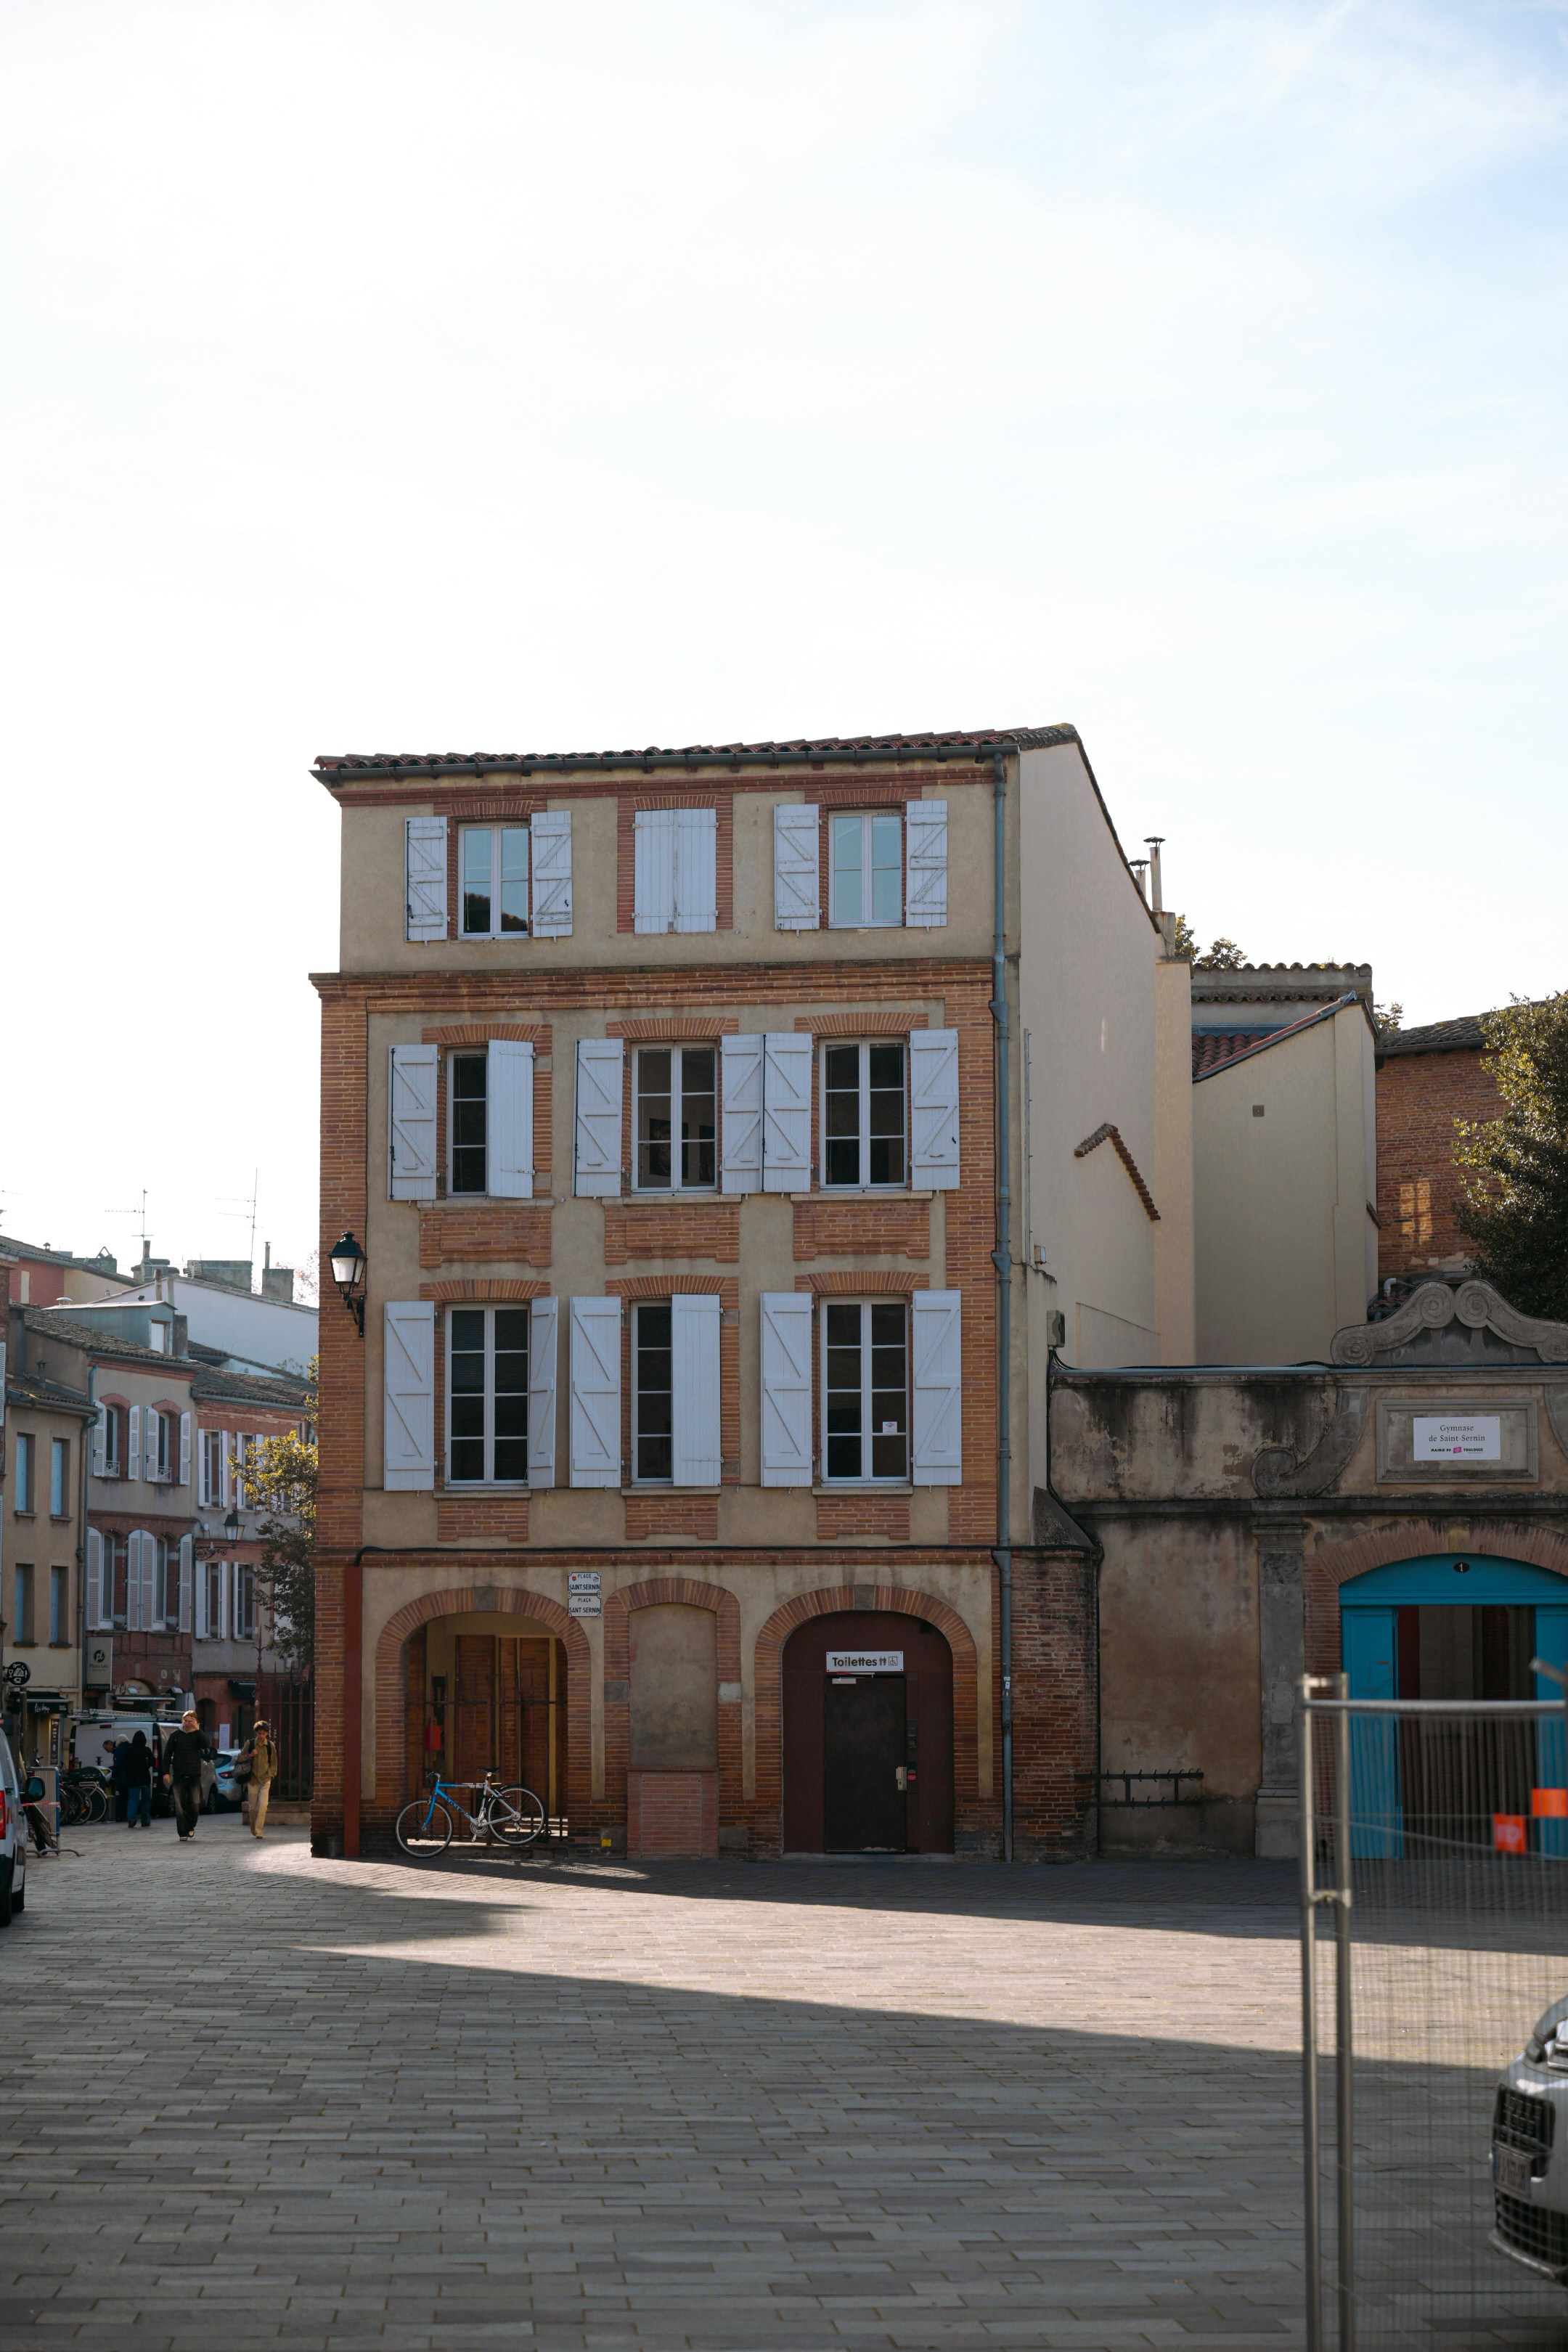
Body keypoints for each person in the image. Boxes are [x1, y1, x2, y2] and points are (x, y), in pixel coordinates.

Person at [162, 1712, 213, 1842]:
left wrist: (198, 1729)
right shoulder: (175, 1736)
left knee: (195, 1803)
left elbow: (206, 1744)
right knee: (180, 1806)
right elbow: (167, 1754)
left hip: (194, 1776)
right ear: (182, 1721)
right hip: (179, 1776)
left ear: (195, 1722)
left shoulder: (197, 1735)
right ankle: (183, 1832)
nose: (188, 1723)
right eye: (186, 1721)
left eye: (191, 1721)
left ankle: (191, 1826)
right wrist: (166, 1772)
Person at [239, 1719, 278, 1839]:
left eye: (264, 1734)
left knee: (263, 1805)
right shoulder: (250, 1744)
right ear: (256, 1732)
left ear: (267, 1734)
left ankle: (259, 1830)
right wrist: (250, 1755)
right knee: (253, 1808)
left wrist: (271, 1774)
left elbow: (274, 1763)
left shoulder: (270, 1746)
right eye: (259, 1733)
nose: (261, 1736)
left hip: (265, 1779)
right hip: (252, 1779)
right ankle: (253, 1828)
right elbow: (239, 1758)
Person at [123, 1731, 153, 1828]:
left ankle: (132, 1818)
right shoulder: (147, 1750)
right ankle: (145, 1820)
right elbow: (152, 1762)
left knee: (133, 1799)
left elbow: (125, 1764)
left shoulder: (129, 1750)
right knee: (146, 1801)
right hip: (145, 1778)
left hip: (133, 1779)